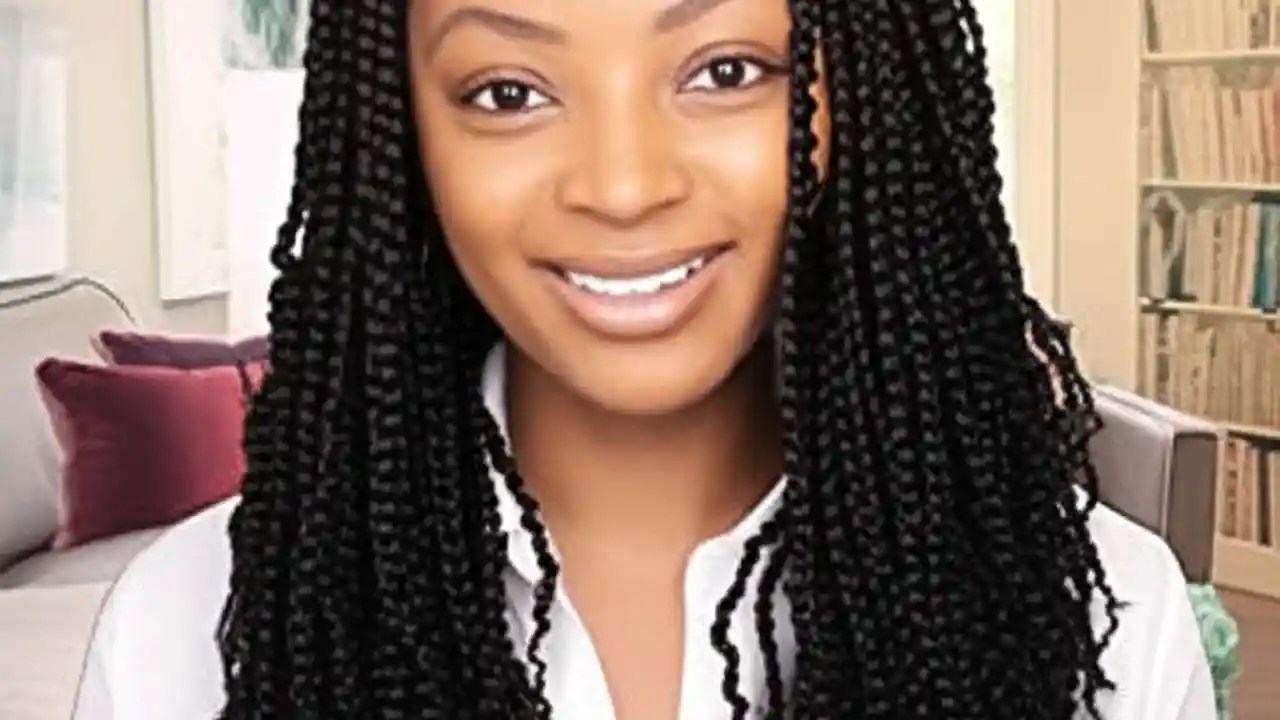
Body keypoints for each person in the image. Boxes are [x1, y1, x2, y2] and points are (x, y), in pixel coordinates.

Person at [72, 0, 1217, 718]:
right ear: (398, 135)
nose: (622, 184)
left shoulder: (1108, 621)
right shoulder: (185, 631)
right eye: (507, 91)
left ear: (856, 97)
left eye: (724, 70)